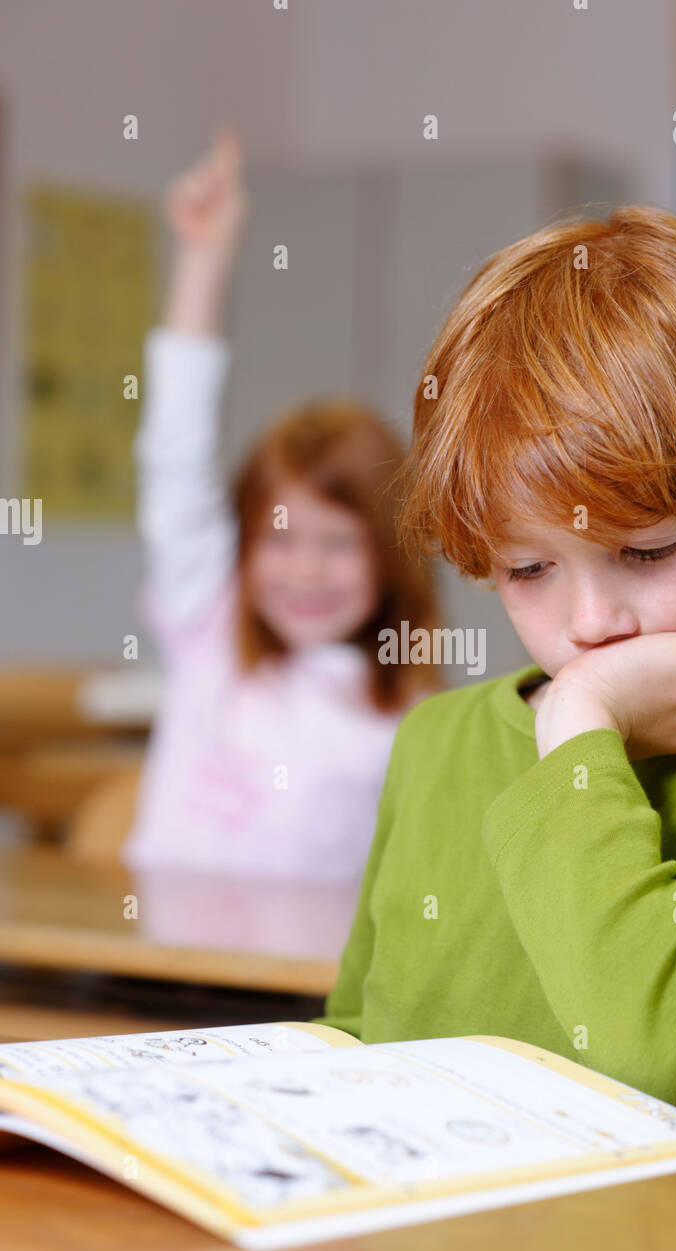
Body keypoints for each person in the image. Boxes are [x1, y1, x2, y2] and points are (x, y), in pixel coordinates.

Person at [314, 205, 676, 1121]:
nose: (592, 623)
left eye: (646, 554)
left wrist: (578, 732)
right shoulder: (435, 740)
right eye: (528, 570)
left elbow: (672, 1056)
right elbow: (355, 1038)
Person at [124, 131, 440, 879]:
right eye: (278, 538)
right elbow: (175, 455)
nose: (304, 570)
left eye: (338, 543)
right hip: (147, 978)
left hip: (294, 995)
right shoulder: (212, 627)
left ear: (390, 555)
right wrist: (203, 262)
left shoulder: (411, 713)